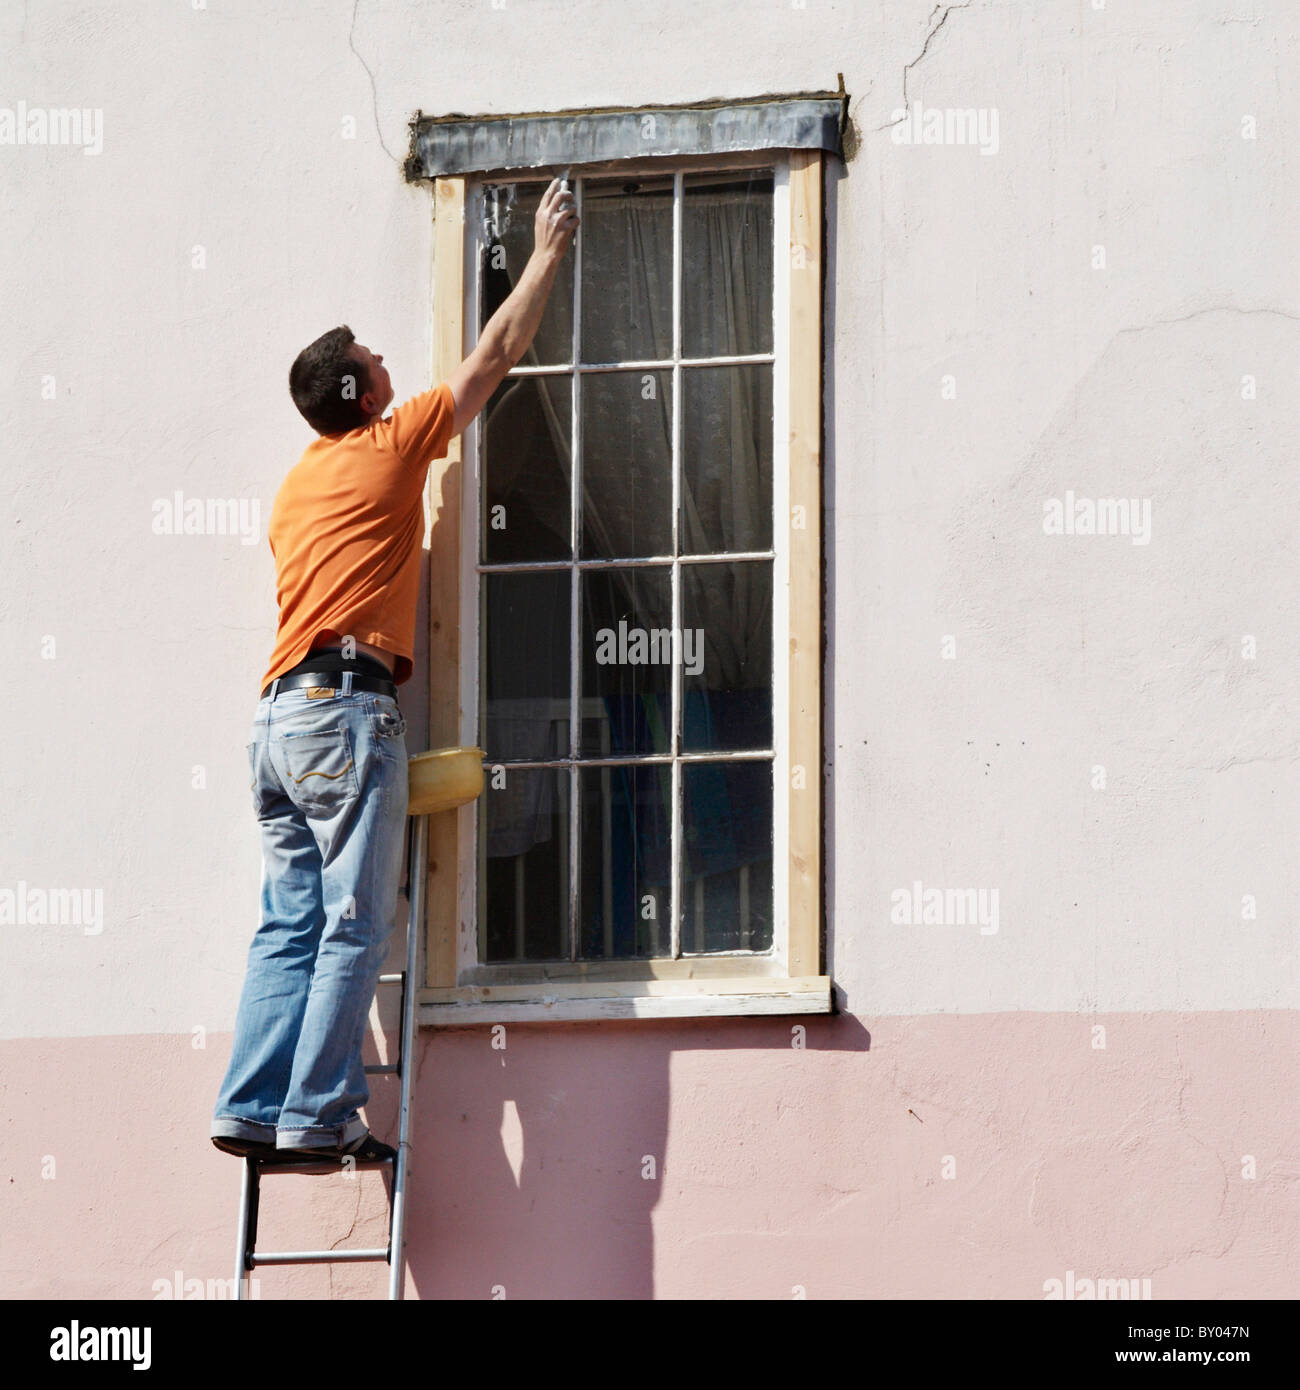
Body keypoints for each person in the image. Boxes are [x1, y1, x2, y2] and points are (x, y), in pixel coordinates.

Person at [210, 177, 579, 1162]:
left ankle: (248, 1099)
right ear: (362, 394)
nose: (386, 363)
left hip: (276, 726)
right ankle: (319, 1114)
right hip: (341, 711)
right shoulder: (389, 443)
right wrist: (544, 252)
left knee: (287, 922)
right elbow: (496, 353)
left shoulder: (298, 484)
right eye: (374, 360)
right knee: (354, 923)